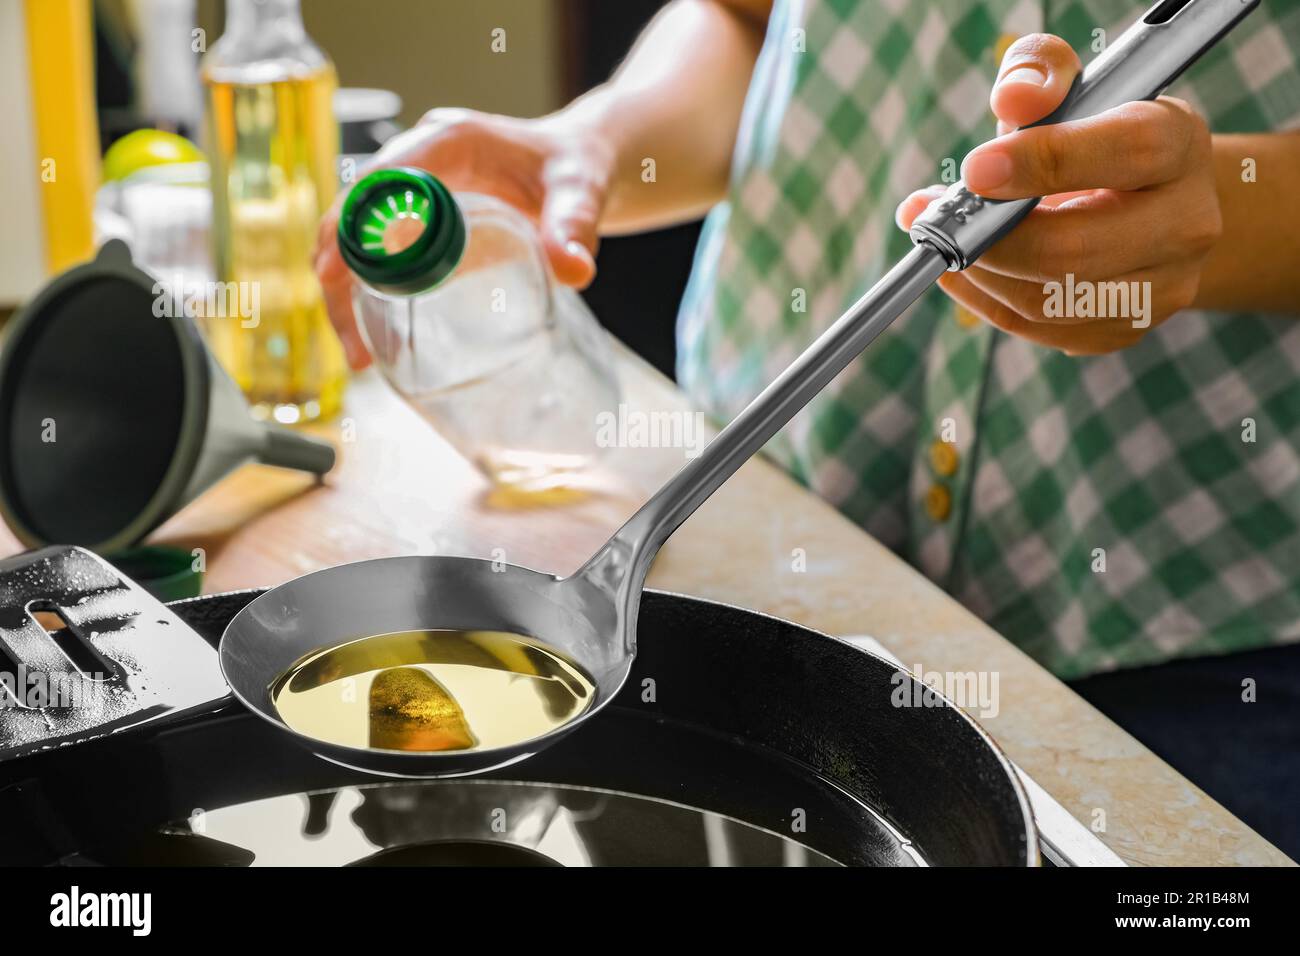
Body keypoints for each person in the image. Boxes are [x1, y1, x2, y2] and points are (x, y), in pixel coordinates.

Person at [317, 0, 1300, 855]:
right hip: (779, 522)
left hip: (1186, 619)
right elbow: (746, 18)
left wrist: (1221, 208)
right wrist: (601, 136)